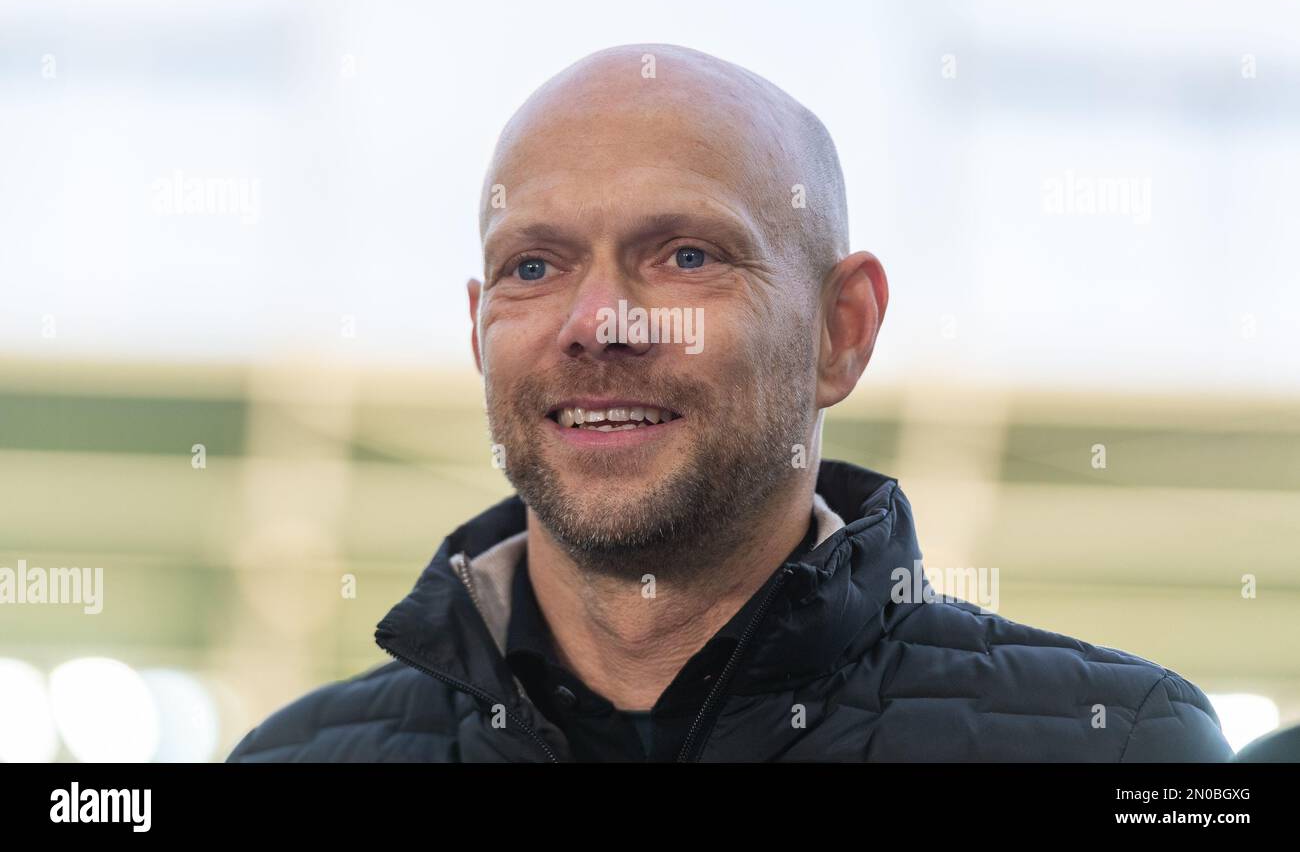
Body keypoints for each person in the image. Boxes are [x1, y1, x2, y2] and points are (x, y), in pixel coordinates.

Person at [227, 44, 1232, 762]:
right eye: (534, 265)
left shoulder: (1123, 745)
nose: (599, 321)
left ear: (840, 328)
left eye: (686, 255)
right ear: (479, 329)